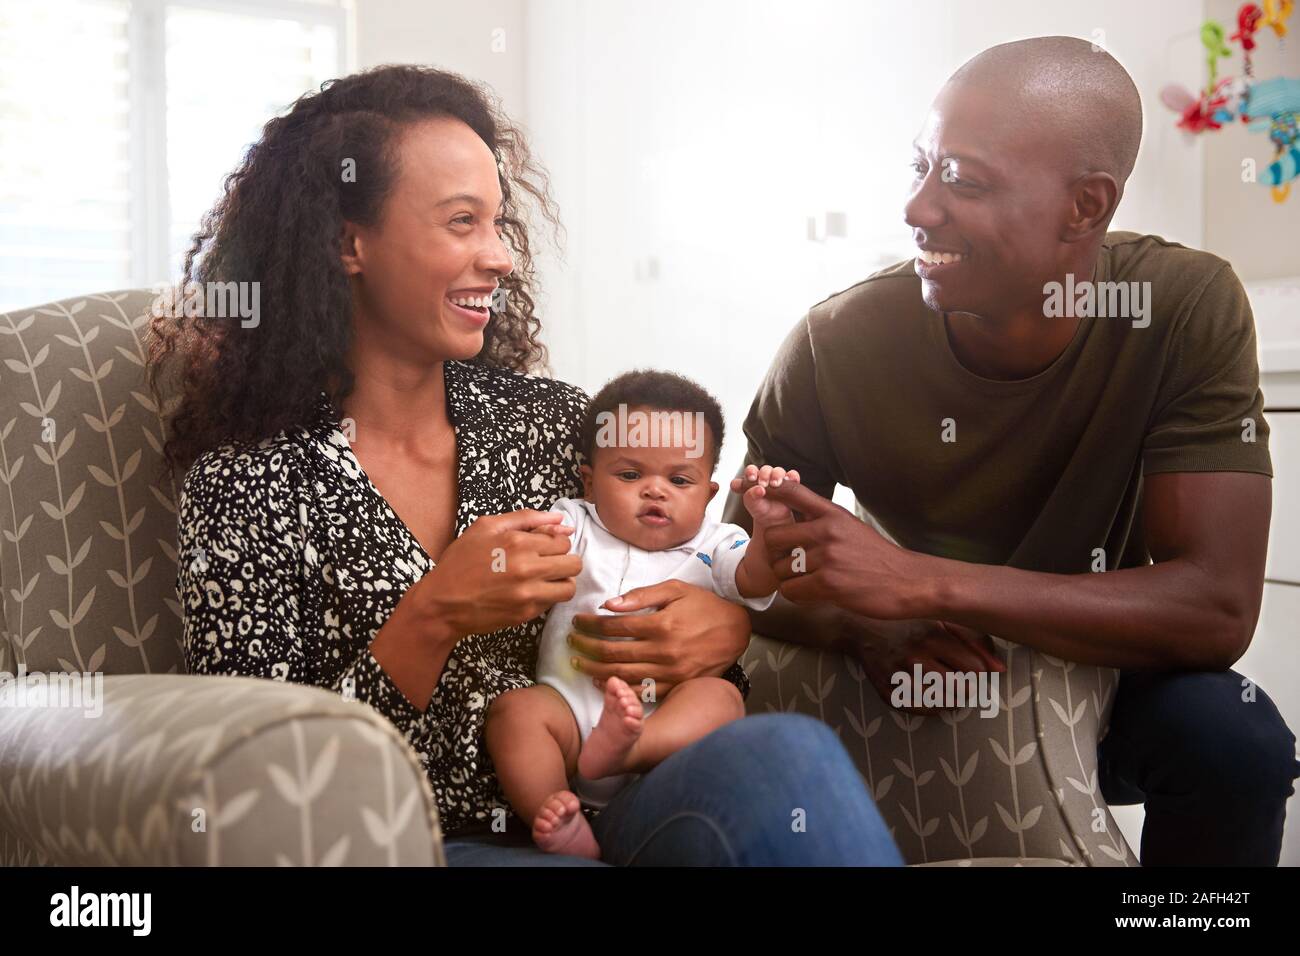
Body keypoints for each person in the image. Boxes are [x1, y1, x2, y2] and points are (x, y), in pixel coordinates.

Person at [153, 64, 903, 866]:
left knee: (787, 754)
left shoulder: (551, 424)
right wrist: (434, 612)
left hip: (616, 806)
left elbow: (675, 599)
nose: (500, 257)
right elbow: (260, 778)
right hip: (420, 844)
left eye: (499, 223)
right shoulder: (246, 485)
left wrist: (713, 631)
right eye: (462, 223)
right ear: (350, 243)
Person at [723, 36, 1299, 866]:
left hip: (1100, 666)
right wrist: (868, 627)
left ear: (1085, 208)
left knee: (1234, 741)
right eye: (920, 167)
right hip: (923, 668)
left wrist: (926, 581)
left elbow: (1217, 608)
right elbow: (737, 567)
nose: (918, 209)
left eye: (963, 179)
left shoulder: (1180, 308)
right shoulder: (836, 339)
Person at [486, 369, 802, 858]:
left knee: (720, 699)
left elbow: (755, 581)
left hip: (662, 743)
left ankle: (629, 746)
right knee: (515, 713)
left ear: (709, 495)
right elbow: (531, 551)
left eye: (679, 480)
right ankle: (557, 810)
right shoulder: (577, 522)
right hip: (568, 713)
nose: (656, 491)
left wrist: (768, 530)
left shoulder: (715, 544)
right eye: (630, 475)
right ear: (590, 482)